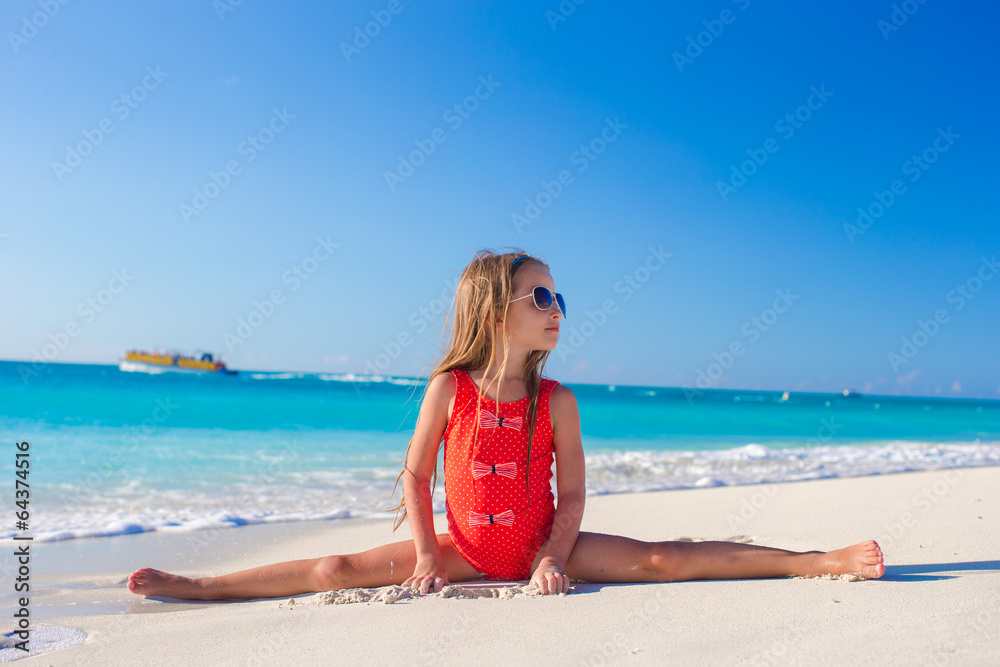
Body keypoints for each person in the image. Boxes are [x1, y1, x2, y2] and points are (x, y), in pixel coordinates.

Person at [127, 249, 884, 600]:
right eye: (541, 297)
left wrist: (553, 559)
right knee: (334, 570)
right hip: (462, 550)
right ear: (495, 312)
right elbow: (419, 473)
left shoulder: (559, 402)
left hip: (541, 545)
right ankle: (203, 583)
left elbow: (575, 495)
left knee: (661, 558)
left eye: (559, 296)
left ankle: (815, 558)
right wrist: (426, 552)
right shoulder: (448, 389)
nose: (557, 309)